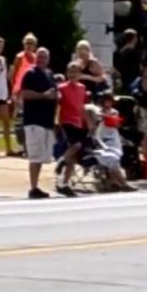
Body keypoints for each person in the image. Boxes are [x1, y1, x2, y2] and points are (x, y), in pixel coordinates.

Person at [20, 47, 58, 199]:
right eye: (39, 56)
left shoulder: (49, 74)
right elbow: (25, 93)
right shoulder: (30, 74)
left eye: (44, 57)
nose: (41, 59)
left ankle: (36, 186)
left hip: (46, 121)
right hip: (34, 121)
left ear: (48, 59)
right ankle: (33, 187)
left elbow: (54, 93)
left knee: (41, 157)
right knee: (35, 156)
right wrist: (43, 95)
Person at [88, 97, 136, 192]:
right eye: (106, 101)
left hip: (114, 140)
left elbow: (115, 124)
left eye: (110, 101)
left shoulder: (114, 112)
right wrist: (101, 117)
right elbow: (94, 125)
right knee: (112, 163)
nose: (108, 103)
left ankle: (115, 182)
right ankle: (123, 184)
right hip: (103, 140)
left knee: (114, 163)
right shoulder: (98, 113)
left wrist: (108, 117)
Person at [56, 61, 88, 197]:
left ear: (80, 74)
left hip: (78, 122)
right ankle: (62, 160)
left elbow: (82, 106)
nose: (73, 74)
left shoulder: (82, 88)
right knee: (76, 145)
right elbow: (58, 103)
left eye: (76, 72)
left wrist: (88, 122)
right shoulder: (62, 88)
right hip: (66, 120)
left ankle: (64, 183)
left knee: (73, 156)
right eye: (71, 71)